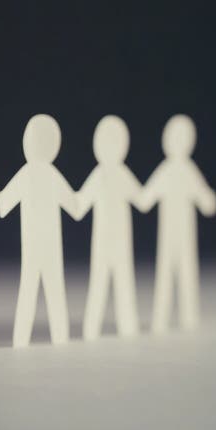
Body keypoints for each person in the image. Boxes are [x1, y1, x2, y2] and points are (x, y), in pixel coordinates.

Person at [0, 114, 81, 347]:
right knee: (55, 290)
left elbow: (2, 205)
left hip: (34, 246)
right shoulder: (53, 175)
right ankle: (60, 335)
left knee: (29, 289)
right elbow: (75, 207)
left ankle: (22, 339)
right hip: (51, 247)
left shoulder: (27, 173)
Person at [139, 114, 216, 332]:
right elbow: (146, 198)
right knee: (165, 274)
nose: (177, 143)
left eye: (182, 138)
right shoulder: (167, 170)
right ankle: (161, 318)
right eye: (174, 138)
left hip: (185, 235)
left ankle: (188, 316)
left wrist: (208, 199)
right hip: (169, 235)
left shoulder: (187, 170)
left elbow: (204, 199)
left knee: (186, 273)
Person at [75, 115, 144, 340]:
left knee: (121, 282)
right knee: (101, 282)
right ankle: (94, 328)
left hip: (119, 242)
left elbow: (142, 200)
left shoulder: (117, 174)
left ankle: (123, 325)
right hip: (104, 242)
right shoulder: (101, 175)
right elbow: (80, 205)